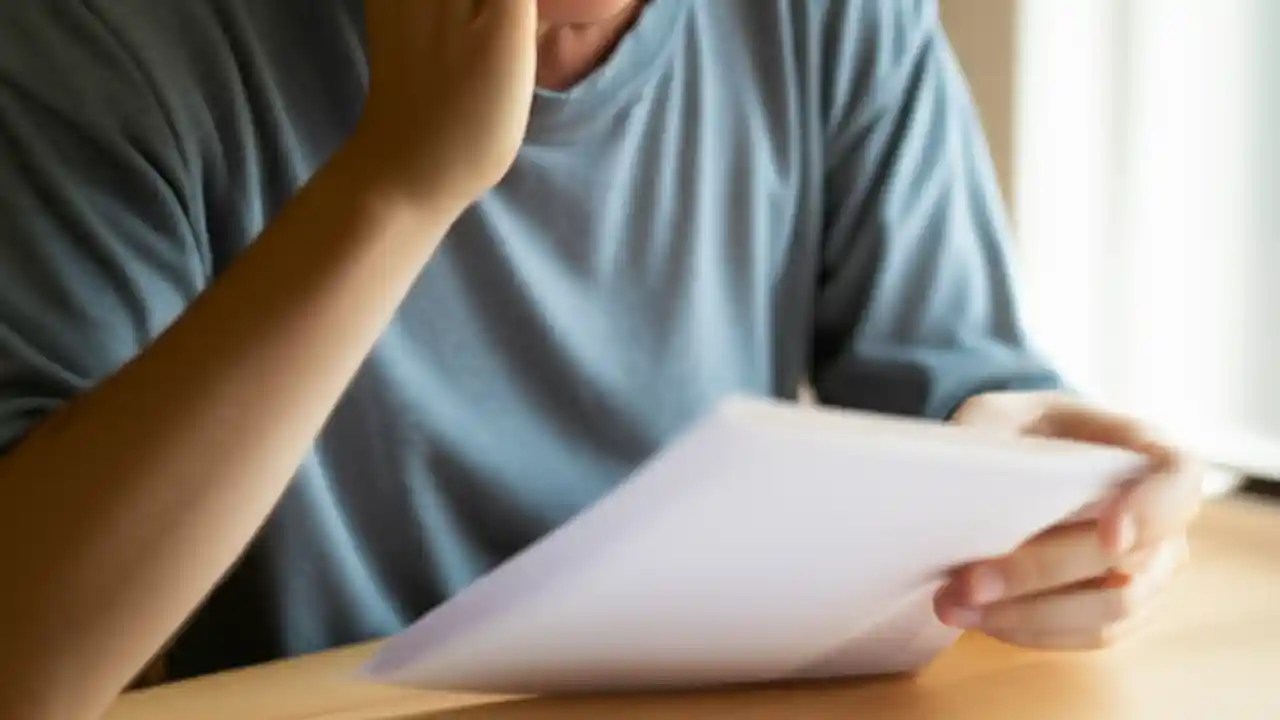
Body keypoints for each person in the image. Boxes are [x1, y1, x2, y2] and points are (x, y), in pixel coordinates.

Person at [0, 1, 1203, 718]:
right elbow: (25, 662)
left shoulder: (830, 18)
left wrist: (1054, 511)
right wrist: (399, 185)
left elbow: (960, 400)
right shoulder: (107, 41)